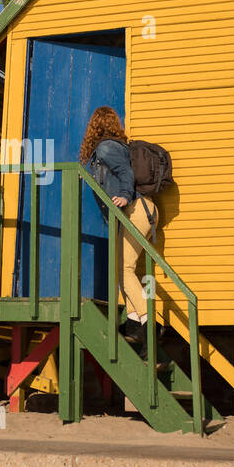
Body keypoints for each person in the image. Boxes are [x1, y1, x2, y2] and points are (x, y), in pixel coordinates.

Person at [79, 106, 157, 348]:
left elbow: (125, 173)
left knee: (124, 268)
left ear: (95, 125)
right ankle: (134, 324)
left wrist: (124, 194)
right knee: (120, 268)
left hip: (137, 209)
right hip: (137, 211)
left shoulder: (106, 147)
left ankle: (150, 322)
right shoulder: (110, 148)